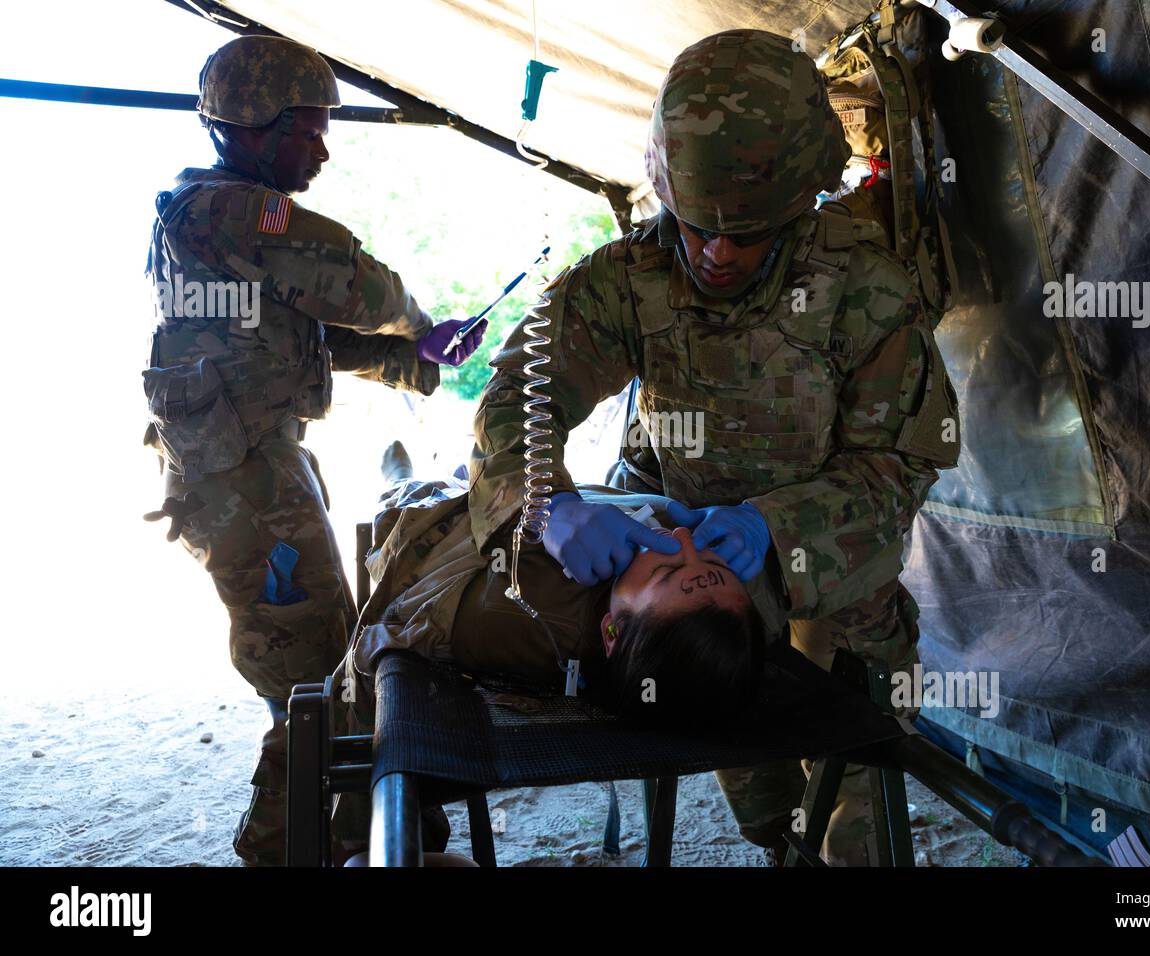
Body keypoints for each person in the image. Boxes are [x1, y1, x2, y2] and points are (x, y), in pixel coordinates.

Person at [469, 30, 962, 865]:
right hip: (698, 577)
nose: (716, 254)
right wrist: (548, 499)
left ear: (804, 200)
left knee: (858, 808)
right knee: (749, 769)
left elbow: (900, 465)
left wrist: (776, 525)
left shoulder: (866, 288)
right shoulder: (628, 278)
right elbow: (520, 396)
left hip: (837, 574)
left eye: (749, 233)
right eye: (695, 226)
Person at [141, 35, 485, 866]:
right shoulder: (231, 212)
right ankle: (284, 849)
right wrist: (413, 318)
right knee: (315, 676)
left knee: (320, 662)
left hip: (250, 471)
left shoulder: (211, 223)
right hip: (244, 482)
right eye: (309, 128)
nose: (323, 148)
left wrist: (416, 359)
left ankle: (339, 838)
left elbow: (298, 340)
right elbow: (349, 282)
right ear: (252, 126)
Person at [326, 443, 774, 863]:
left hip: (431, 523)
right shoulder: (689, 609)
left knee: (415, 488)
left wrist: (540, 509)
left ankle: (400, 474)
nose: (683, 537)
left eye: (669, 566)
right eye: (715, 563)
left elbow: (398, 625)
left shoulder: (509, 613)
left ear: (611, 631)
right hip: (512, 499)